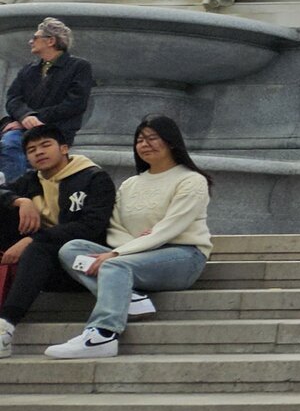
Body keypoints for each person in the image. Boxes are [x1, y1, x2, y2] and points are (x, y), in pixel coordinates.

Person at [46, 115, 212, 359]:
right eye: (140, 140)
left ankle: (102, 334)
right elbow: (114, 227)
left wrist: (118, 254)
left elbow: (171, 226)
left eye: (152, 138)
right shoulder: (130, 184)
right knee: (71, 249)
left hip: (182, 257)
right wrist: (127, 249)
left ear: (171, 142)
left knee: (114, 265)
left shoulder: (191, 180)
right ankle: (133, 298)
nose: (145, 144)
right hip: (135, 257)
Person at [0, 124, 116, 355]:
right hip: (40, 266)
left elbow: (90, 228)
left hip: (81, 265)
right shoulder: (30, 181)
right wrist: (21, 201)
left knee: (38, 248)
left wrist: (31, 240)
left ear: (64, 148)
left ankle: (5, 327)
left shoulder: (94, 178)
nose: (39, 153)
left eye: (45, 145)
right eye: (31, 150)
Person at [3, 19, 94, 183]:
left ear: (51, 41)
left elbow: (75, 103)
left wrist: (33, 119)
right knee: (10, 143)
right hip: (25, 129)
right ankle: (15, 192)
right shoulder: (28, 69)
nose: (30, 41)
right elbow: (12, 99)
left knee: (14, 145)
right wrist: (25, 116)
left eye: (35, 37)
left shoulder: (79, 67)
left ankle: (17, 192)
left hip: (56, 130)